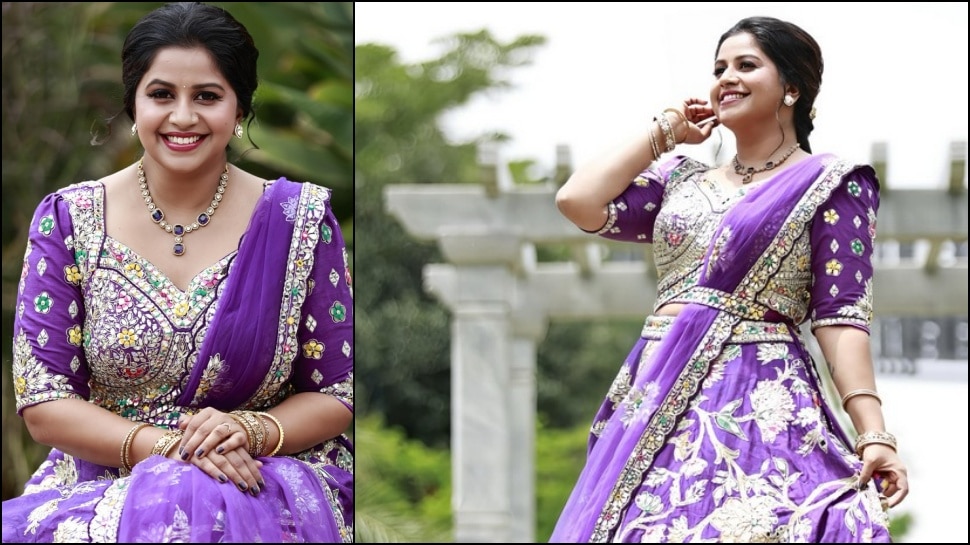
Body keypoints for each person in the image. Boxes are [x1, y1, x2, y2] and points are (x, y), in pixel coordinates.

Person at [1, 2, 353, 542]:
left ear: (239, 108)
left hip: (260, 480)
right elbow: (44, 401)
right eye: (162, 94)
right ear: (134, 104)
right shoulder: (69, 219)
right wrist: (172, 451)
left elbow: (337, 391)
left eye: (207, 96)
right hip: (106, 484)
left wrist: (246, 429)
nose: (183, 117)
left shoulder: (299, 221)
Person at [550, 16, 908, 543]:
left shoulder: (831, 183)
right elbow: (578, 201)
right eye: (719, 69)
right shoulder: (680, 179)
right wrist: (667, 131)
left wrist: (873, 432)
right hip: (656, 386)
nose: (726, 79)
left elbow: (841, 316)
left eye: (746, 65)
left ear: (792, 87)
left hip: (756, 395)